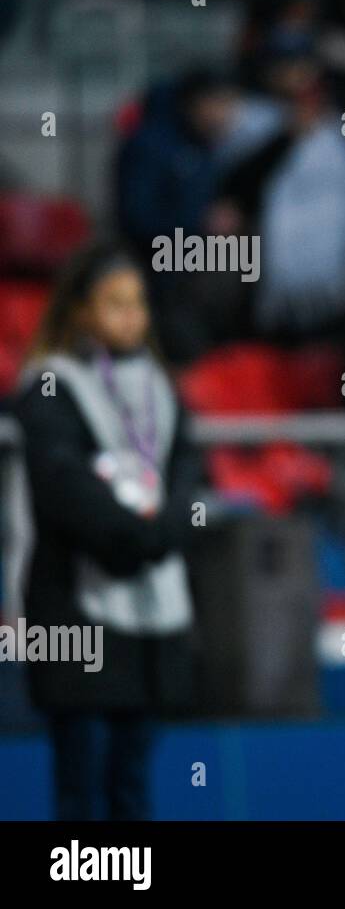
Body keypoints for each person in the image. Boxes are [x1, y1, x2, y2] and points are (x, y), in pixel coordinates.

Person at [13, 244, 203, 820]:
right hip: (77, 611)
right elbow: (64, 484)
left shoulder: (162, 389)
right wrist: (135, 537)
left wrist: (163, 530)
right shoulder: (48, 386)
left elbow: (186, 479)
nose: (131, 316)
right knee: (82, 787)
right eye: (113, 303)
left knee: (133, 784)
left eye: (138, 302)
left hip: (152, 615)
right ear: (79, 311)